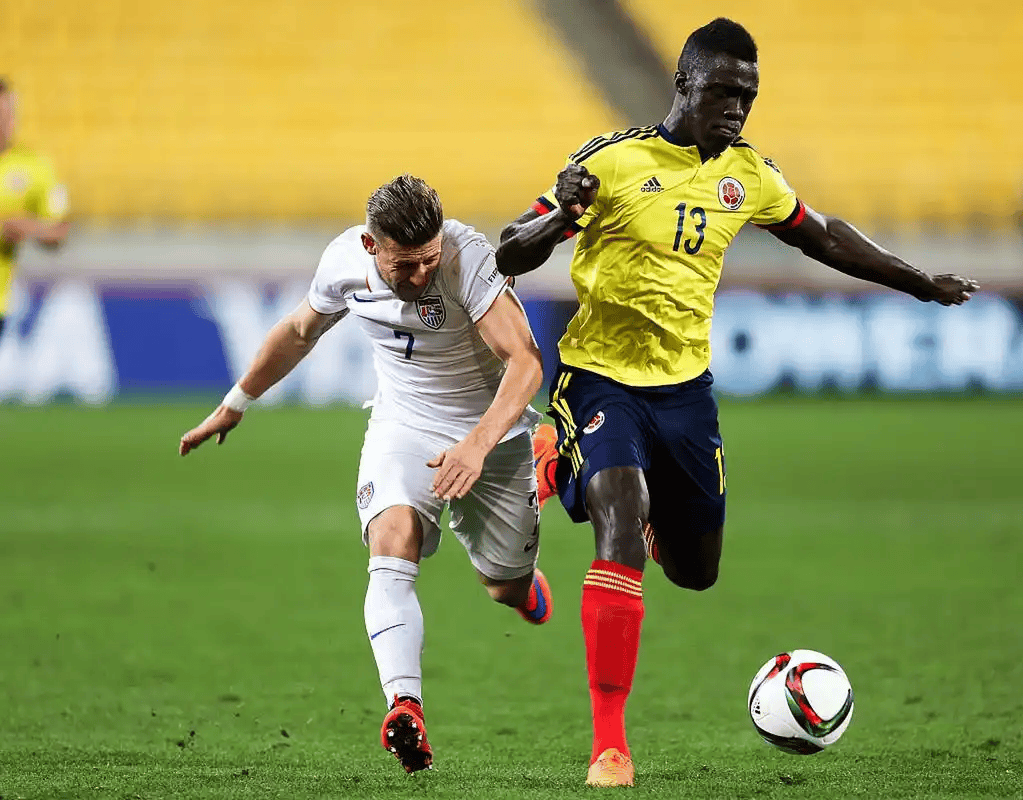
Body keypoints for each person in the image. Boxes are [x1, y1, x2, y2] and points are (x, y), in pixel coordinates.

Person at [495, 18, 979, 787]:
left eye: (747, 96)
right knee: (619, 516)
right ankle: (609, 745)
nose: (736, 108)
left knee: (695, 572)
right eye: (723, 91)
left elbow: (824, 235)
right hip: (600, 378)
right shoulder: (611, 160)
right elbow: (507, 250)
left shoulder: (749, 175)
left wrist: (919, 281)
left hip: (686, 395)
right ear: (684, 83)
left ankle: (568, 468)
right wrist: (560, 213)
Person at [179, 175, 555, 774]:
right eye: (406, 264)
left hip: (492, 434)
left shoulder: (466, 257)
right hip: (403, 424)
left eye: (430, 259)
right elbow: (298, 332)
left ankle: (527, 561)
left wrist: (477, 445)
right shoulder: (342, 265)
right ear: (370, 245)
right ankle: (405, 705)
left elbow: (526, 363)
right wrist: (236, 402)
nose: (422, 275)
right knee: (390, 540)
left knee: (503, 586)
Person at [0, 78, 70, 336]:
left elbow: (59, 229)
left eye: (8, 115)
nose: (4, 123)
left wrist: (31, 228)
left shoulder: (34, 166)